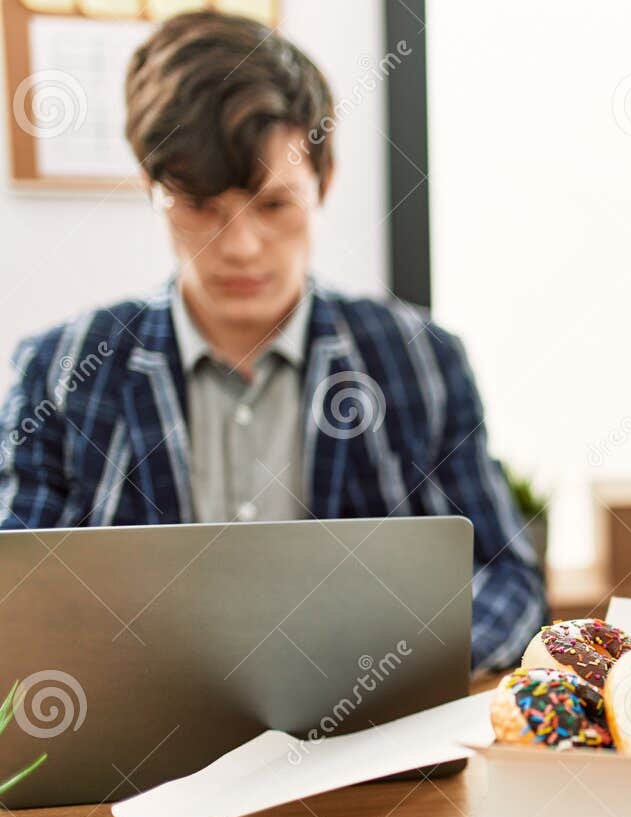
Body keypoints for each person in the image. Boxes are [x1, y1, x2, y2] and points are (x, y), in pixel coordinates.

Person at [0, 11, 543, 673]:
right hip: (142, 774)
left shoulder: (421, 361)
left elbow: (507, 580)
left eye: (274, 205)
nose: (239, 246)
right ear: (151, 187)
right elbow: (16, 601)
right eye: (201, 206)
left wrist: (403, 671)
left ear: (324, 182)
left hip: (369, 753)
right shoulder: (60, 371)